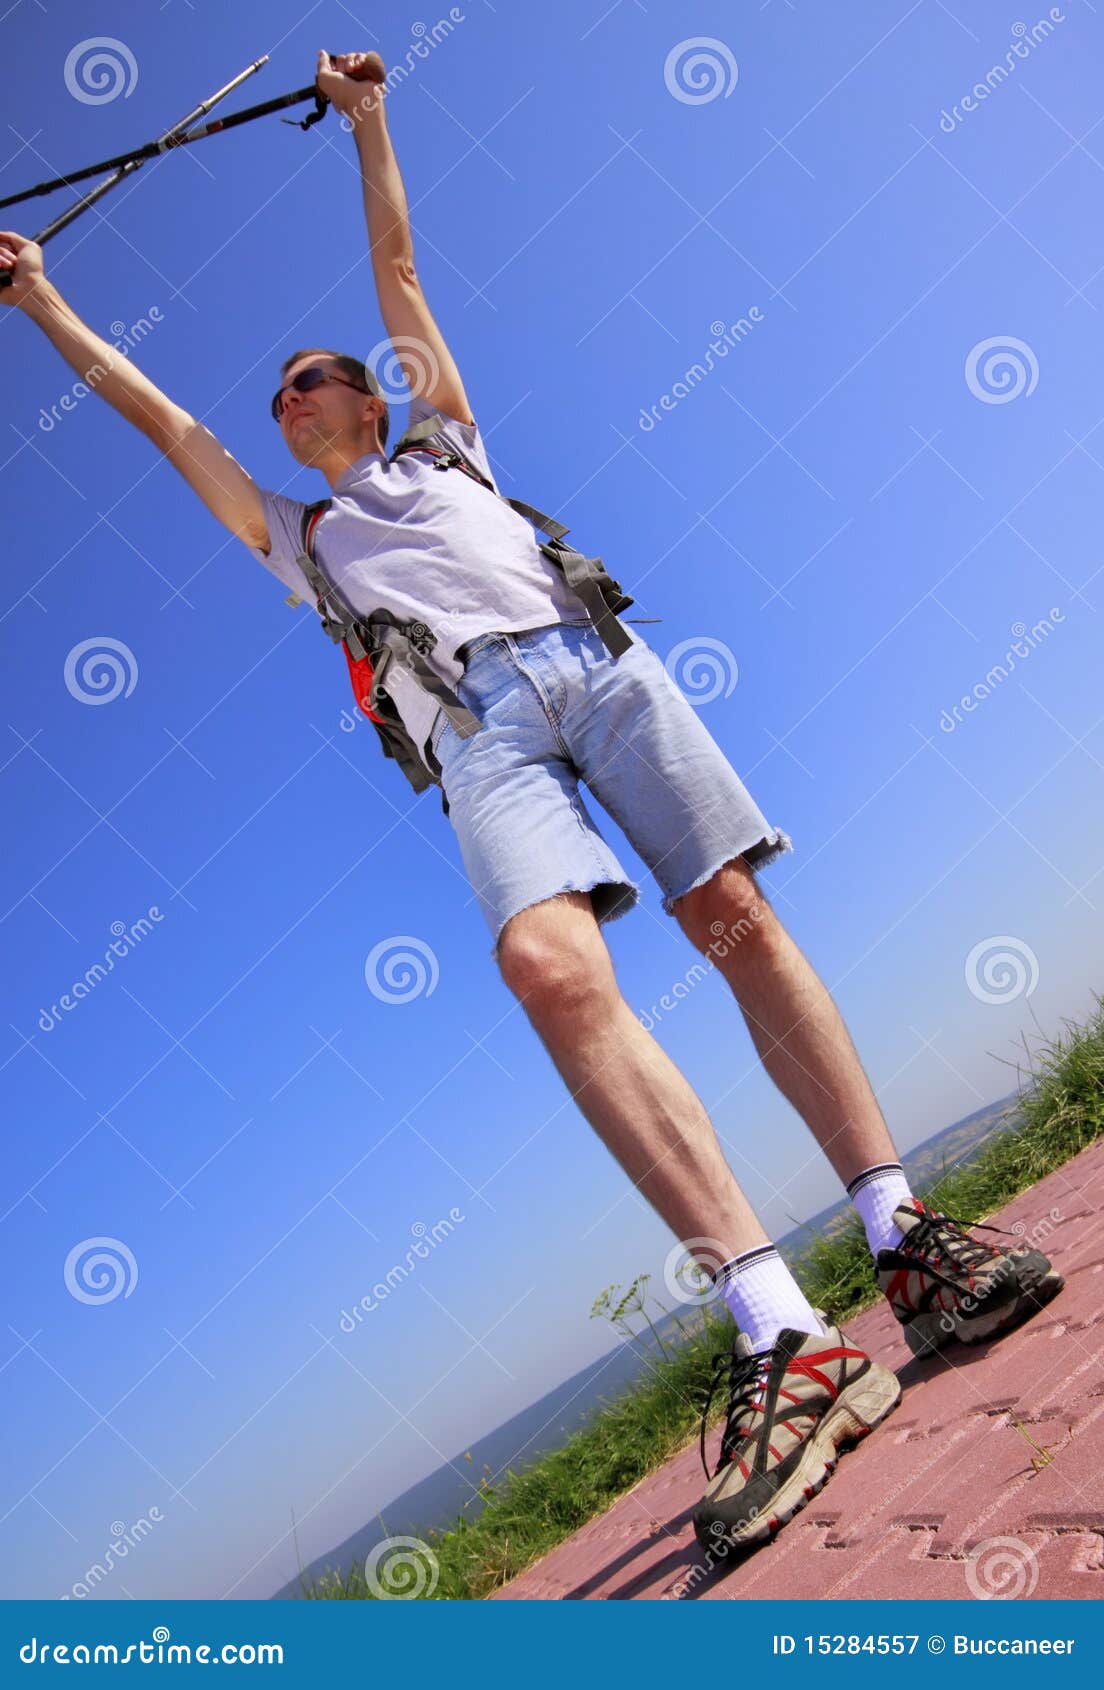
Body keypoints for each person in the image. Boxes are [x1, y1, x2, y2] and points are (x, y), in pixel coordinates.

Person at [1, 49, 1064, 1563]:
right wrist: (41, 300)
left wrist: (370, 121)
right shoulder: (298, 540)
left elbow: (398, 262)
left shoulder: (447, 446)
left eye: (319, 374)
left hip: (594, 659)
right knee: (547, 966)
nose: (294, 390)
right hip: (478, 733)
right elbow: (162, 421)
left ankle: (905, 1240)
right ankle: (783, 1327)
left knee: (735, 915)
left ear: (372, 395)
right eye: (282, 388)